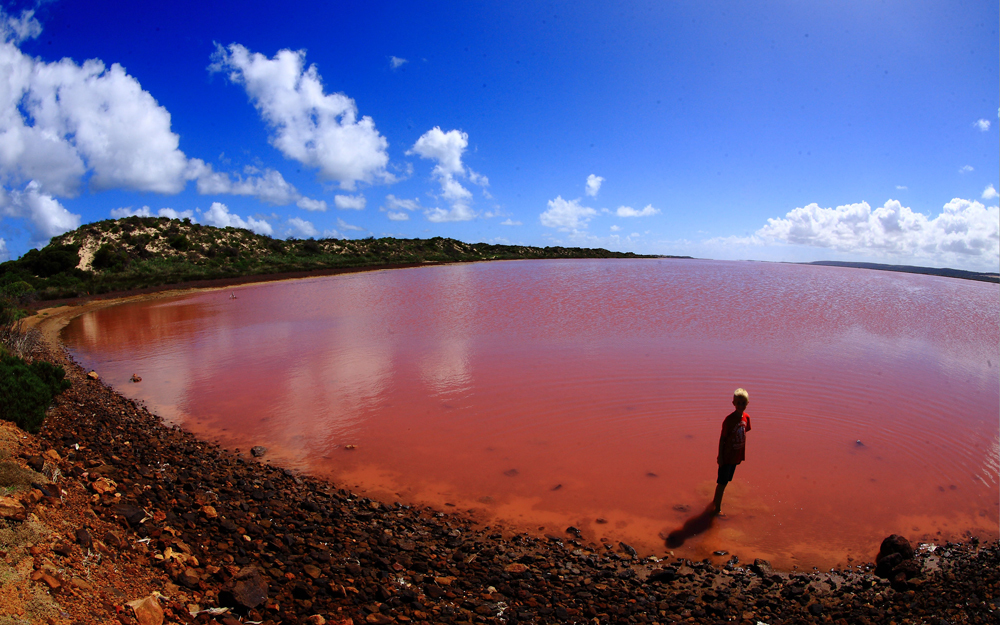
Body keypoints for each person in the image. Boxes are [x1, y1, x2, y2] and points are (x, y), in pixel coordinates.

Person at [713, 388, 751, 515]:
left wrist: (740, 455)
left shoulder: (746, 418)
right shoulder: (728, 420)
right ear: (733, 403)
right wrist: (720, 457)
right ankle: (717, 509)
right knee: (722, 483)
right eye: (738, 403)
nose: (741, 405)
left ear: (747, 403)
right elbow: (722, 439)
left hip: (735, 457)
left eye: (743, 403)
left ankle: (715, 502)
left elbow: (744, 433)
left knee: (726, 481)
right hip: (727, 457)